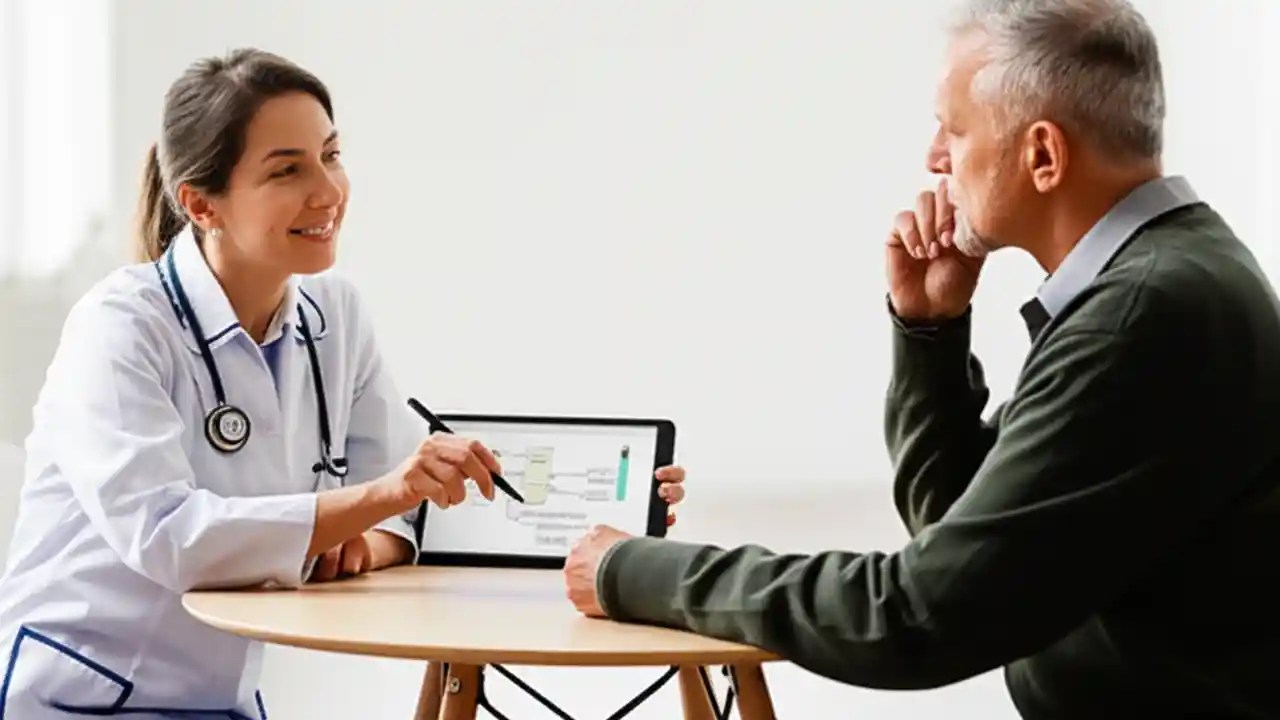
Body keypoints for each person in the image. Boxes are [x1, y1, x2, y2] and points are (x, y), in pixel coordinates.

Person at [564, 1, 1280, 717]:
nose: (935, 157)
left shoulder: (1140, 313)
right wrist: (930, 334)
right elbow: (968, 544)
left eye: (954, 128)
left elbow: (918, 616)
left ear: (1042, 155)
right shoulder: (1171, 278)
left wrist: (633, 570)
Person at [0, 48, 687, 718]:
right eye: (287, 170)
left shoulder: (334, 315)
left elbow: (410, 500)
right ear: (201, 205)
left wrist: (613, 511)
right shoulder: (120, 327)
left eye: (330, 155)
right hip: (80, 694)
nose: (328, 192)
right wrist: (371, 503)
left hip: (216, 698)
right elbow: (169, 536)